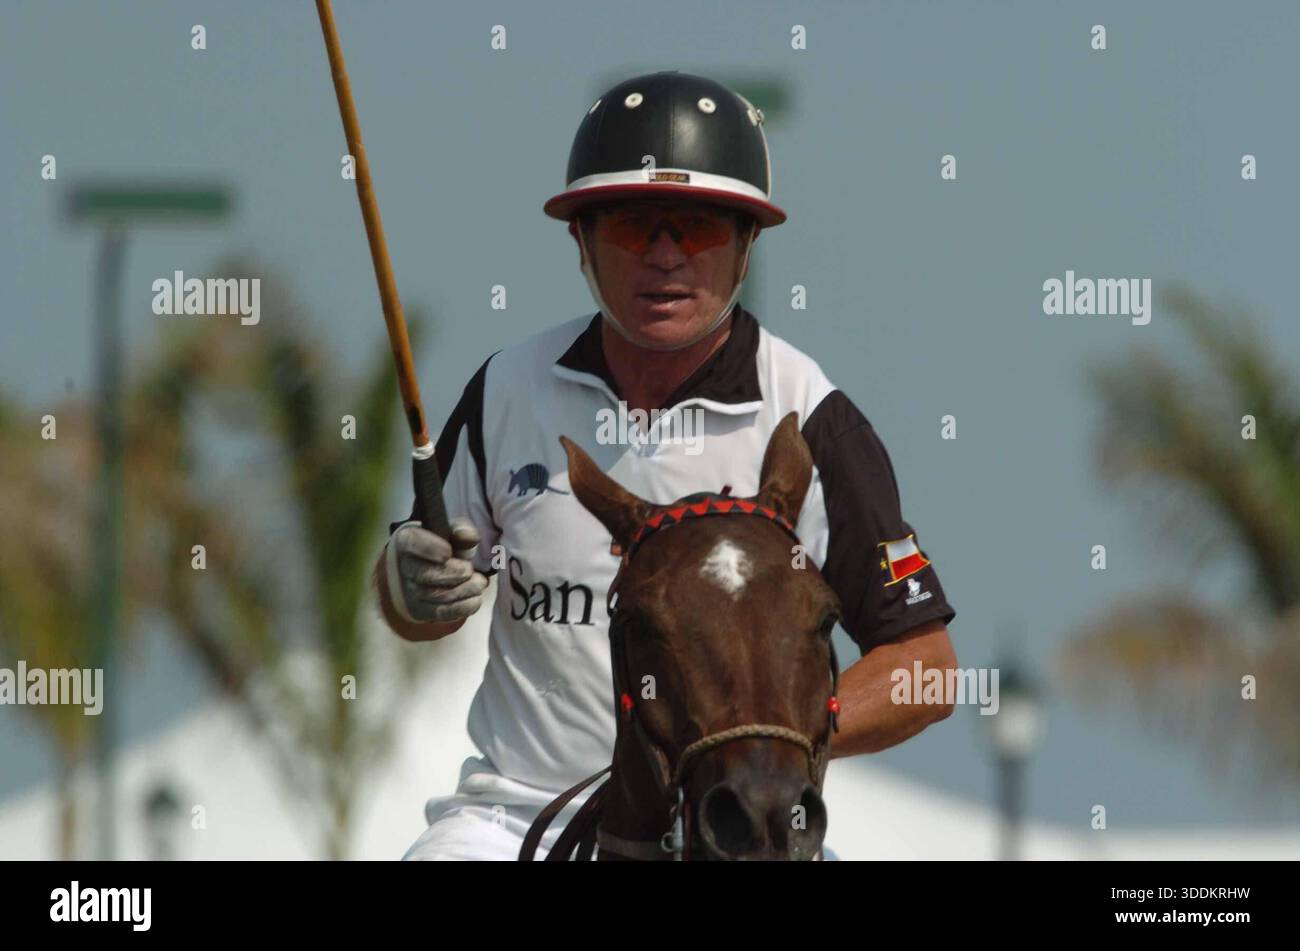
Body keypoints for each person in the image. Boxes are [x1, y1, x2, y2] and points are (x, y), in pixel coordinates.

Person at [374, 71, 958, 860]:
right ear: (580, 243)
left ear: (747, 247)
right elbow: (418, 606)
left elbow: (924, 665)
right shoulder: (509, 386)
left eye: (700, 231)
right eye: (630, 230)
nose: (665, 258)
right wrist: (405, 584)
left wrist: (768, 742)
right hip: (516, 819)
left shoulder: (811, 411)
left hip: (736, 827)